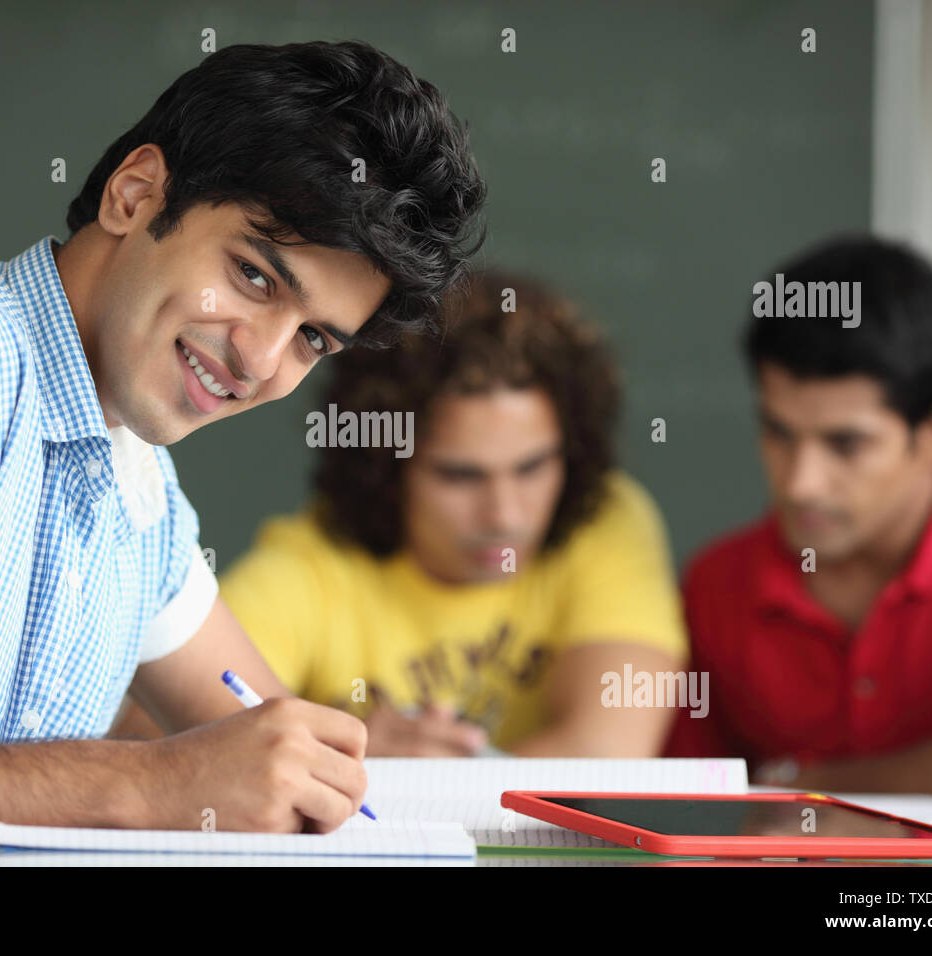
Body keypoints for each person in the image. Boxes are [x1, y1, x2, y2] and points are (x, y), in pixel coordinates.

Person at [0, 40, 487, 863]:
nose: (261, 361)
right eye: (257, 277)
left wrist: (317, 760)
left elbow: (243, 726)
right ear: (135, 193)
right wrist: (146, 787)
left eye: (313, 339)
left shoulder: (134, 475)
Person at [218, 269, 688, 756]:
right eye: (460, 476)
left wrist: (394, 781)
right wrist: (345, 756)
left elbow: (608, 754)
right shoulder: (309, 564)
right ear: (385, 470)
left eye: (532, 467)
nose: (504, 516)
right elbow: (165, 733)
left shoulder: (607, 522)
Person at [665, 235, 932, 811]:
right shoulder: (717, 583)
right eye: (779, 432)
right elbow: (683, 807)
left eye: (844, 443)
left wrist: (793, 782)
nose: (801, 482)